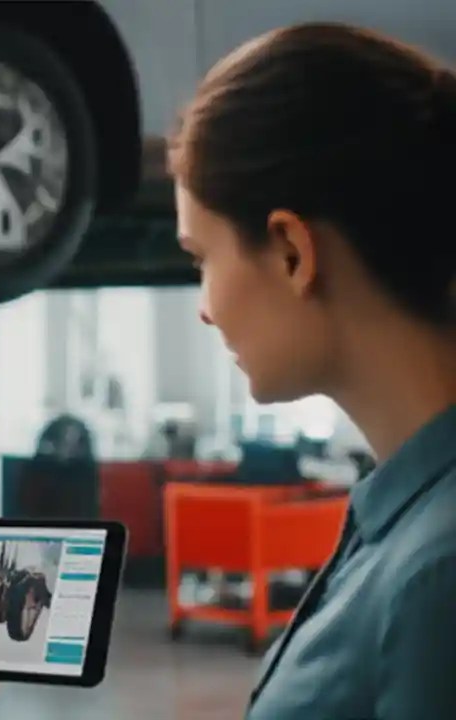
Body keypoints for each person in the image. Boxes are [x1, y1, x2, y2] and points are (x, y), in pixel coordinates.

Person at [169, 22, 456, 719]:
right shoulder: (402, 520)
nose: (205, 309)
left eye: (202, 259)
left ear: (293, 252)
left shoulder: (437, 578)